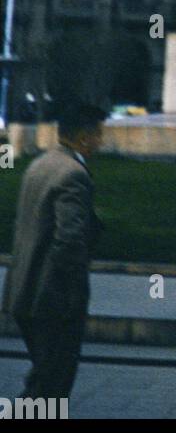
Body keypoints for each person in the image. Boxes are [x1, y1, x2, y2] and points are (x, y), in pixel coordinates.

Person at [1, 99, 105, 401]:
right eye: (99, 134)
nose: (101, 141)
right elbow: (69, 240)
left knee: (43, 380)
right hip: (53, 299)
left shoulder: (40, 165)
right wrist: (73, 295)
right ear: (84, 138)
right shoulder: (74, 175)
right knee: (52, 385)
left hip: (25, 293)